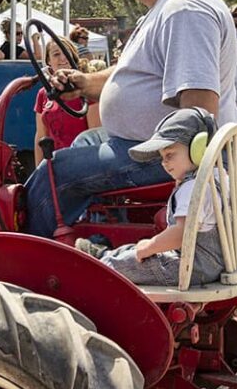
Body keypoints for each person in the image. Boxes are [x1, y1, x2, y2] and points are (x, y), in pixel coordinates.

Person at [25, 0, 237, 238]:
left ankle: (24, 259)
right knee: (83, 144)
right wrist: (83, 83)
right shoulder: (169, 5)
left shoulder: (185, 10)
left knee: (53, 176)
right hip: (139, 145)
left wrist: (187, 179)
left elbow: (199, 112)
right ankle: (82, 240)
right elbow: (136, 74)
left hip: (162, 155)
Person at [75, 108, 223, 287]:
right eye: (162, 158)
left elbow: (181, 234)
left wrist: (151, 246)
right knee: (138, 250)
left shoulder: (193, 188)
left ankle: (98, 264)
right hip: (211, 263)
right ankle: (105, 254)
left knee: (134, 261)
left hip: (191, 268)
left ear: (198, 149)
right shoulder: (218, 177)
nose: (164, 163)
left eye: (170, 155)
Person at [34, 37, 101, 165]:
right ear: (48, 61)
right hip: (55, 166)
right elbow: (40, 137)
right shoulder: (43, 94)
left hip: (83, 165)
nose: (62, 58)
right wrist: (38, 171)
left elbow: (96, 136)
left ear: (73, 57)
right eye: (56, 54)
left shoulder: (85, 89)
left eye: (66, 53)